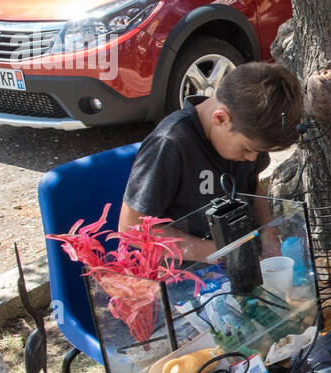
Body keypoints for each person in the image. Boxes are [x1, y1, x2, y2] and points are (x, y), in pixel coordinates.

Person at [119, 61, 304, 261]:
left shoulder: (248, 129)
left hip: (242, 256)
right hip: (187, 274)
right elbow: (132, 230)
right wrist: (223, 254)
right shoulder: (170, 144)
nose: (252, 158)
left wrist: (269, 236)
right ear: (220, 119)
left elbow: (253, 187)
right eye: (247, 149)